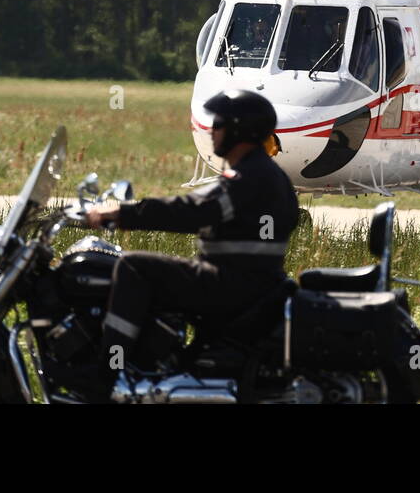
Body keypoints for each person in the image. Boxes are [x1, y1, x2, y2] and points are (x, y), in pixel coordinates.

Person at [84, 88, 298, 396]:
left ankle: (106, 377)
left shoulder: (248, 177)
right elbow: (203, 207)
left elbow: (193, 210)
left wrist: (121, 213)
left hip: (232, 282)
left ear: (240, 131)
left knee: (133, 266)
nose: (212, 131)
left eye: (219, 124)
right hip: (257, 282)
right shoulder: (269, 174)